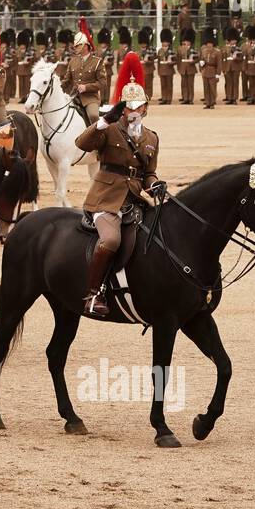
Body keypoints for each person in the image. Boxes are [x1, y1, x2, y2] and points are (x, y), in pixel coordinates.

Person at [74, 53, 162, 318]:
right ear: (123, 108)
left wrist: (155, 184)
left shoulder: (151, 138)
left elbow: (148, 172)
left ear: (146, 108)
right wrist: (102, 122)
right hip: (106, 197)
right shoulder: (109, 129)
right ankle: (92, 294)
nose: (135, 111)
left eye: (139, 107)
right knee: (111, 239)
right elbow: (81, 144)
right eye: (130, 107)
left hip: (135, 199)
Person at [62, 27, 109, 120]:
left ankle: (98, 134)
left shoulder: (97, 62)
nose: (75, 48)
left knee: (93, 116)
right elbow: (66, 81)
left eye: (78, 45)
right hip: (73, 96)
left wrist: (86, 87)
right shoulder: (73, 61)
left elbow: (103, 83)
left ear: (85, 45)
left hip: (90, 98)